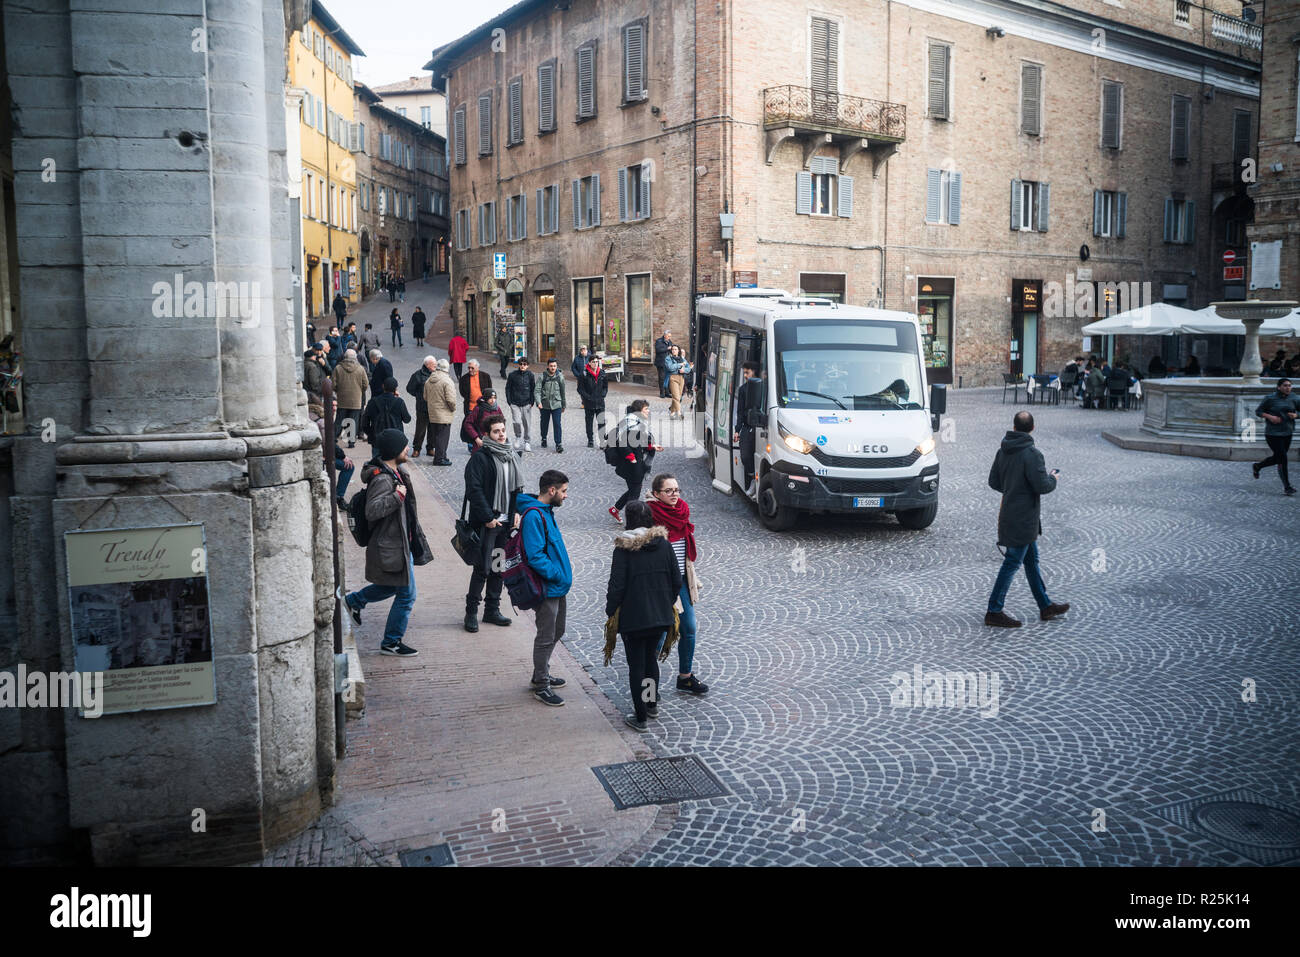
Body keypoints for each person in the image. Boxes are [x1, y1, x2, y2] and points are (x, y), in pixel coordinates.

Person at [342, 429, 424, 657]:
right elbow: (372, 511)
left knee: (392, 586)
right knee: (407, 595)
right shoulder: (382, 479)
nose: (407, 449)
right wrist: (396, 497)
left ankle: (353, 601)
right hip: (391, 544)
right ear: (394, 451)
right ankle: (391, 642)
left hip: (400, 542)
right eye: (404, 446)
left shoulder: (396, 472)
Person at [984, 411, 1070, 628]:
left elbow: (994, 481)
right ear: (1032, 428)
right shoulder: (1032, 454)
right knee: (1012, 562)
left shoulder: (1002, 451)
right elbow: (1043, 486)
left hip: (1012, 515)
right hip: (1023, 519)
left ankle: (1045, 606)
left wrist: (1012, 489)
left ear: (1014, 428)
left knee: (1031, 561)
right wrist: (1053, 477)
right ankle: (994, 610)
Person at [606, 500, 683, 731]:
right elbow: (676, 580)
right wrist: (664, 602)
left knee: (636, 666)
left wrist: (611, 611)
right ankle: (651, 704)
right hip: (659, 617)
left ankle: (640, 716)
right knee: (651, 660)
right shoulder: (664, 545)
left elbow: (616, 586)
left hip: (633, 618)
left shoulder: (623, 549)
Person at [647, 473, 708, 695]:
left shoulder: (682, 511)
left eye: (677, 490)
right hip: (659, 584)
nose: (675, 495)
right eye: (669, 491)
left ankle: (685, 677)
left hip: (681, 580)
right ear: (656, 494)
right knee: (660, 633)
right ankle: (649, 684)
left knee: (689, 628)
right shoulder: (650, 515)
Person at [517, 470, 573, 706]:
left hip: (557, 587)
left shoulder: (547, 512)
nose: (565, 496)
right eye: (563, 491)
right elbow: (535, 555)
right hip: (548, 586)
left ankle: (542, 672)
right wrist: (557, 575)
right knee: (545, 636)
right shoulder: (533, 516)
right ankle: (541, 684)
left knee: (557, 631)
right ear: (552, 491)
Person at [462, 414, 522, 633]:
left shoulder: (512, 456)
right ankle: (471, 612)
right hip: (487, 524)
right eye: (496, 431)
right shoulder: (480, 458)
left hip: (505, 524)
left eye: (503, 430)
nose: (501, 435)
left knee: (498, 568)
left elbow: (517, 489)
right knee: (482, 569)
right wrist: (488, 517)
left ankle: (492, 610)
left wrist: (516, 512)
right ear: (487, 435)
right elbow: (474, 491)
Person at [607, 399, 661, 523]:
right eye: (646, 409)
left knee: (634, 489)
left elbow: (640, 442)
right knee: (635, 492)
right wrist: (631, 458)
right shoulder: (630, 423)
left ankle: (615, 509)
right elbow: (622, 442)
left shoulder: (639, 422)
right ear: (639, 410)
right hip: (631, 463)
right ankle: (633, 520)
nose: (648, 411)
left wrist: (652, 446)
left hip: (637, 461)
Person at [1252, 377, 1298, 495]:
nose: (1288, 388)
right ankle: (1287, 487)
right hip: (1272, 433)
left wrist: (1296, 415)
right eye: (1285, 386)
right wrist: (1270, 417)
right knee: (1283, 458)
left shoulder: (1295, 398)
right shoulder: (1270, 398)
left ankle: (1258, 466)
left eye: (1289, 385)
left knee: (1278, 458)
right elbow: (1258, 411)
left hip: (1287, 432)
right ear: (1279, 387)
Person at [733, 361, 764, 495]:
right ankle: (752, 479)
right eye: (744, 372)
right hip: (747, 426)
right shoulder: (743, 389)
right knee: (745, 456)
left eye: (747, 372)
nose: (745, 375)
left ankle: (758, 484)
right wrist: (737, 430)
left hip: (761, 426)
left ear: (754, 372)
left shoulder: (764, 387)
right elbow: (740, 411)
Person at [330, 347, 369, 447]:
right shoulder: (360, 369)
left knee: (340, 419)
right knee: (353, 420)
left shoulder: (338, 368)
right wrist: (360, 391)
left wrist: (338, 390)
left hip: (342, 398)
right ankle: (351, 442)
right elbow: (365, 384)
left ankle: (333, 438)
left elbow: (333, 384)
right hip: (356, 399)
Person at [423, 359, 458, 465]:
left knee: (437, 436)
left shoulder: (429, 380)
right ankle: (439, 459)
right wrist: (453, 408)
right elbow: (451, 399)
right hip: (444, 414)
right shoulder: (447, 381)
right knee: (443, 437)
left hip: (433, 413)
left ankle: (442, 456)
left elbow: (425, 397)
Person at [360, 377, 411, 444]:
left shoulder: (372, 402)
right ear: (395, 389)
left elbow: (364, 422)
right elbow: (407, 419)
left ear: (383, 386)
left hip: (377, 439)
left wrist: (371, 433)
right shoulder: (399, 402)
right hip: (395, 439)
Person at [406, 356, 437, 457]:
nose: (436, 366)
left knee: (432, 429)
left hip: (434, 407)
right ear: (427, 365)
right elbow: (409, 388)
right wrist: (419, 396)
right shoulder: (417, 375)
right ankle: (417, 448)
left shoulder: (436, 374)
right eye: (434, 365)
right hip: (422, 407)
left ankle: (430, 448)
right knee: (420, 429)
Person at [577, 353, 609, 448]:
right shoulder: (584, 374)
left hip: (600, 402)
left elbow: (605, 387)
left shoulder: (602, 373)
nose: (595, 364)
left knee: (601, 422)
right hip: (589, 403)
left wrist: (603, 395)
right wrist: (588, 397)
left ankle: (602, 441)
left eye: (596, 362)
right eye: (593, 362)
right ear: (589, 363)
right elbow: (580, 389)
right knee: (589, 422)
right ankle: (590, 440)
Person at [506, 356, 537, 452]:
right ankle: (518, 437)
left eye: (525, 364)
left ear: (527, 366)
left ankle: (527, 441)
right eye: (521, 364)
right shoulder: (512, 375)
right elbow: (508, 388)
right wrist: (509, 401)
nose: (522, 366)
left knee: (527, 423)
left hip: (526, 403)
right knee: (516, 421)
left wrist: (532, 401)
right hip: (515, 403)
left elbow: (533, 389)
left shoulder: (530, 375)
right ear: (518, 365)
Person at [536, 357, 566, 452]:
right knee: (544, 423)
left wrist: (563, 405)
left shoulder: (560, 377)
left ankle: (558, 444)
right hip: (544, 404)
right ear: (548, 366)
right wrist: (538, 402)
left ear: (557, 366)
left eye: (554, 366)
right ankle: (544, 438)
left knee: (557, 424)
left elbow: (563, 392)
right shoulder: (542, 376)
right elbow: (537, 391)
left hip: (557, 404)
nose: (553, 368)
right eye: (551, 366)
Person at [665, 345, 693, 418]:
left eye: (675, 349)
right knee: (676, 396)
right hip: (673, 378)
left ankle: (672, 412)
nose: (674, 350)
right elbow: (670, 368)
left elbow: (688, 368)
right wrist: (680, 365)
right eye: (673, 349)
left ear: (678, 351)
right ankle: (679, 413)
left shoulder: (682, 358)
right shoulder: (668, 358)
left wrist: (684, 370)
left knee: (678, 396)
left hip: (681, 378)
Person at [654, 328, 673, 398]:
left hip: (668, 363)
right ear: (665, 335)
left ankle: (667, 392)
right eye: (668, 336)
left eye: (670, 336)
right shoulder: (659, 341)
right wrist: (667, 348)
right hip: (660, 362)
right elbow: (658, 350)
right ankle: (662, 393)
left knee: (667, 378)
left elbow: (671, 350)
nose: (669, 338)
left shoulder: (669, 341)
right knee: (661, 378)